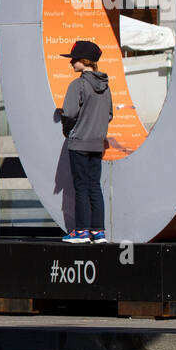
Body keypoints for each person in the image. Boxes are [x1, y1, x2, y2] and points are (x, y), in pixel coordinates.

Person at [59, 40, 113, 244]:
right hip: (96, 144)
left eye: (73, 59)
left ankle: (81, 231)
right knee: (94, 186)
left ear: (84, 60)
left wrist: (68, 130)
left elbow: (70, 113)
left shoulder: (78, 84)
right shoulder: (106, 86)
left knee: (80, 187)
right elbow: (108, 115)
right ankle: (98, 232)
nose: (71, 63)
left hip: (79, 143)